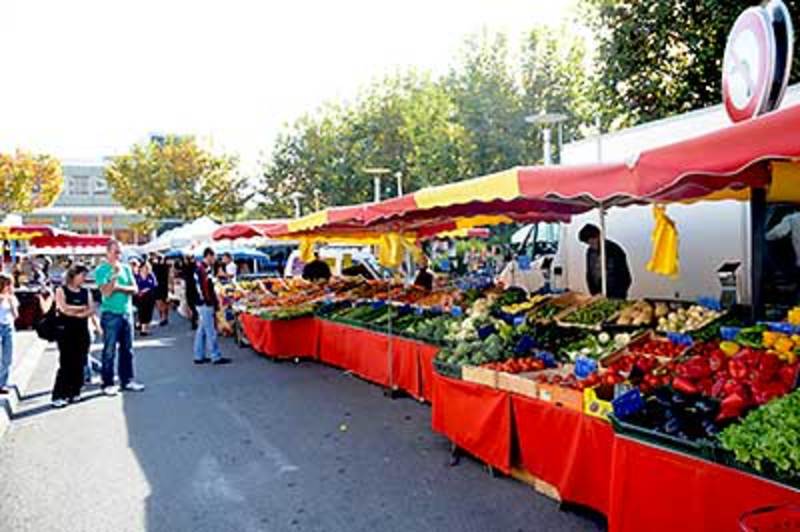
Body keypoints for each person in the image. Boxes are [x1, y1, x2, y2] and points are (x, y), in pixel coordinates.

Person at [94, 239, 145, 396]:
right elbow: (106, 292)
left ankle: (127, 380)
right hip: (110, 314)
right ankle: (107, 383)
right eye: (116, 252)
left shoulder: (126, 268)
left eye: (120, 252)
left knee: (127, 350)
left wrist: (118, 287)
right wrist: (114, 278)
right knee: (109, 350)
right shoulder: (101, 270)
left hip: (126, 312)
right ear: (108, 252)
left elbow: (135, 289)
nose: (118, 255)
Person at [51, 264, 94, 408]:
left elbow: (91, 309)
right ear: (74, 275)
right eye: (82, 275)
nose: (84, 278)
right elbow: (63, 308)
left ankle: (75, 392)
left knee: (80, 362)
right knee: (66, 363)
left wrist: (78, 312)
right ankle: (59, 395)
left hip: (82, 330)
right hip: (66, 331)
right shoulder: (61, 290)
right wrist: (80, 308)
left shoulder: (86, 291)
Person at [191, 248, 231, 365]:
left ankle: (198, 355)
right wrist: (209, 301)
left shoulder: (202, 268)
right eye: (213, 257)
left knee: (202, 330)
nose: (214, 259)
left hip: (201, 302)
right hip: (205, 303)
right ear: (208, 256)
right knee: (210, 331)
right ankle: (215, 356)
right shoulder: (202, 269)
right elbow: (204, 288)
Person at [578, 224, 632, 299]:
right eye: (588, 243)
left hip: (616, 294)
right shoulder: (590, 252)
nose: (591, 244)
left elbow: (625, 276)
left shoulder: (615, 250)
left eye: (593, 241)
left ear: (598, 236)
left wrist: (619, 293)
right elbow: (589, 273)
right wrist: (594, 293)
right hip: (598, 293)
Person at [0, 274, 19, 395]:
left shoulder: (12, 298)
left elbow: (16, 315)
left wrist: (11, 304)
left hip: (8, 327)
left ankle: (2, 383)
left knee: (7, 357)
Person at [135, 260, 158, 336]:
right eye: (144, 267)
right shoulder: (137, 276)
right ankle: (143, 329)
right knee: (141, 311)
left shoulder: (151, 275)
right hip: (139, 296)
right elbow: (134, 284)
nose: (146, 269)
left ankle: (145, 328)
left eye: (147, 267)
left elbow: (154, 284)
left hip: (149, 296)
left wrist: (146, 289)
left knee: (148, 312)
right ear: (141, 268)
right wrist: (139, 291)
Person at [151, 254, 171, 326]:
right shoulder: (157, 266)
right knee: (160, 302)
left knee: (163, 302)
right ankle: (163, 317)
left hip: (162, 286)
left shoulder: (164, 266)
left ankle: (164, 317)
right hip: (159, 286)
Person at [181, 256, 199, 330]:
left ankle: (194, 321)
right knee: (193, 306)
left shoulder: (188, 267)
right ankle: (195, 321)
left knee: (192, 306)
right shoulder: (190, 267)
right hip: (191, 288)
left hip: (191, 288)